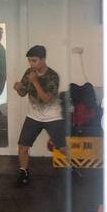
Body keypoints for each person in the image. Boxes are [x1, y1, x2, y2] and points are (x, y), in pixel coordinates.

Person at [13, 45, 68, 185]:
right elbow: (23, 93)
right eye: (30, 61)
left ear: (43, 59)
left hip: (52, 116)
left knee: (62, 147)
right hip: (34, 116)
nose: (31, 64)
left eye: (34, 60)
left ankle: (72, 168)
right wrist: (18, 88)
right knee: (23, 146)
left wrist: (35, 81)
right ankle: (23, 172)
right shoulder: (29, 72)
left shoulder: (53, 76)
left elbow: (46, 99)